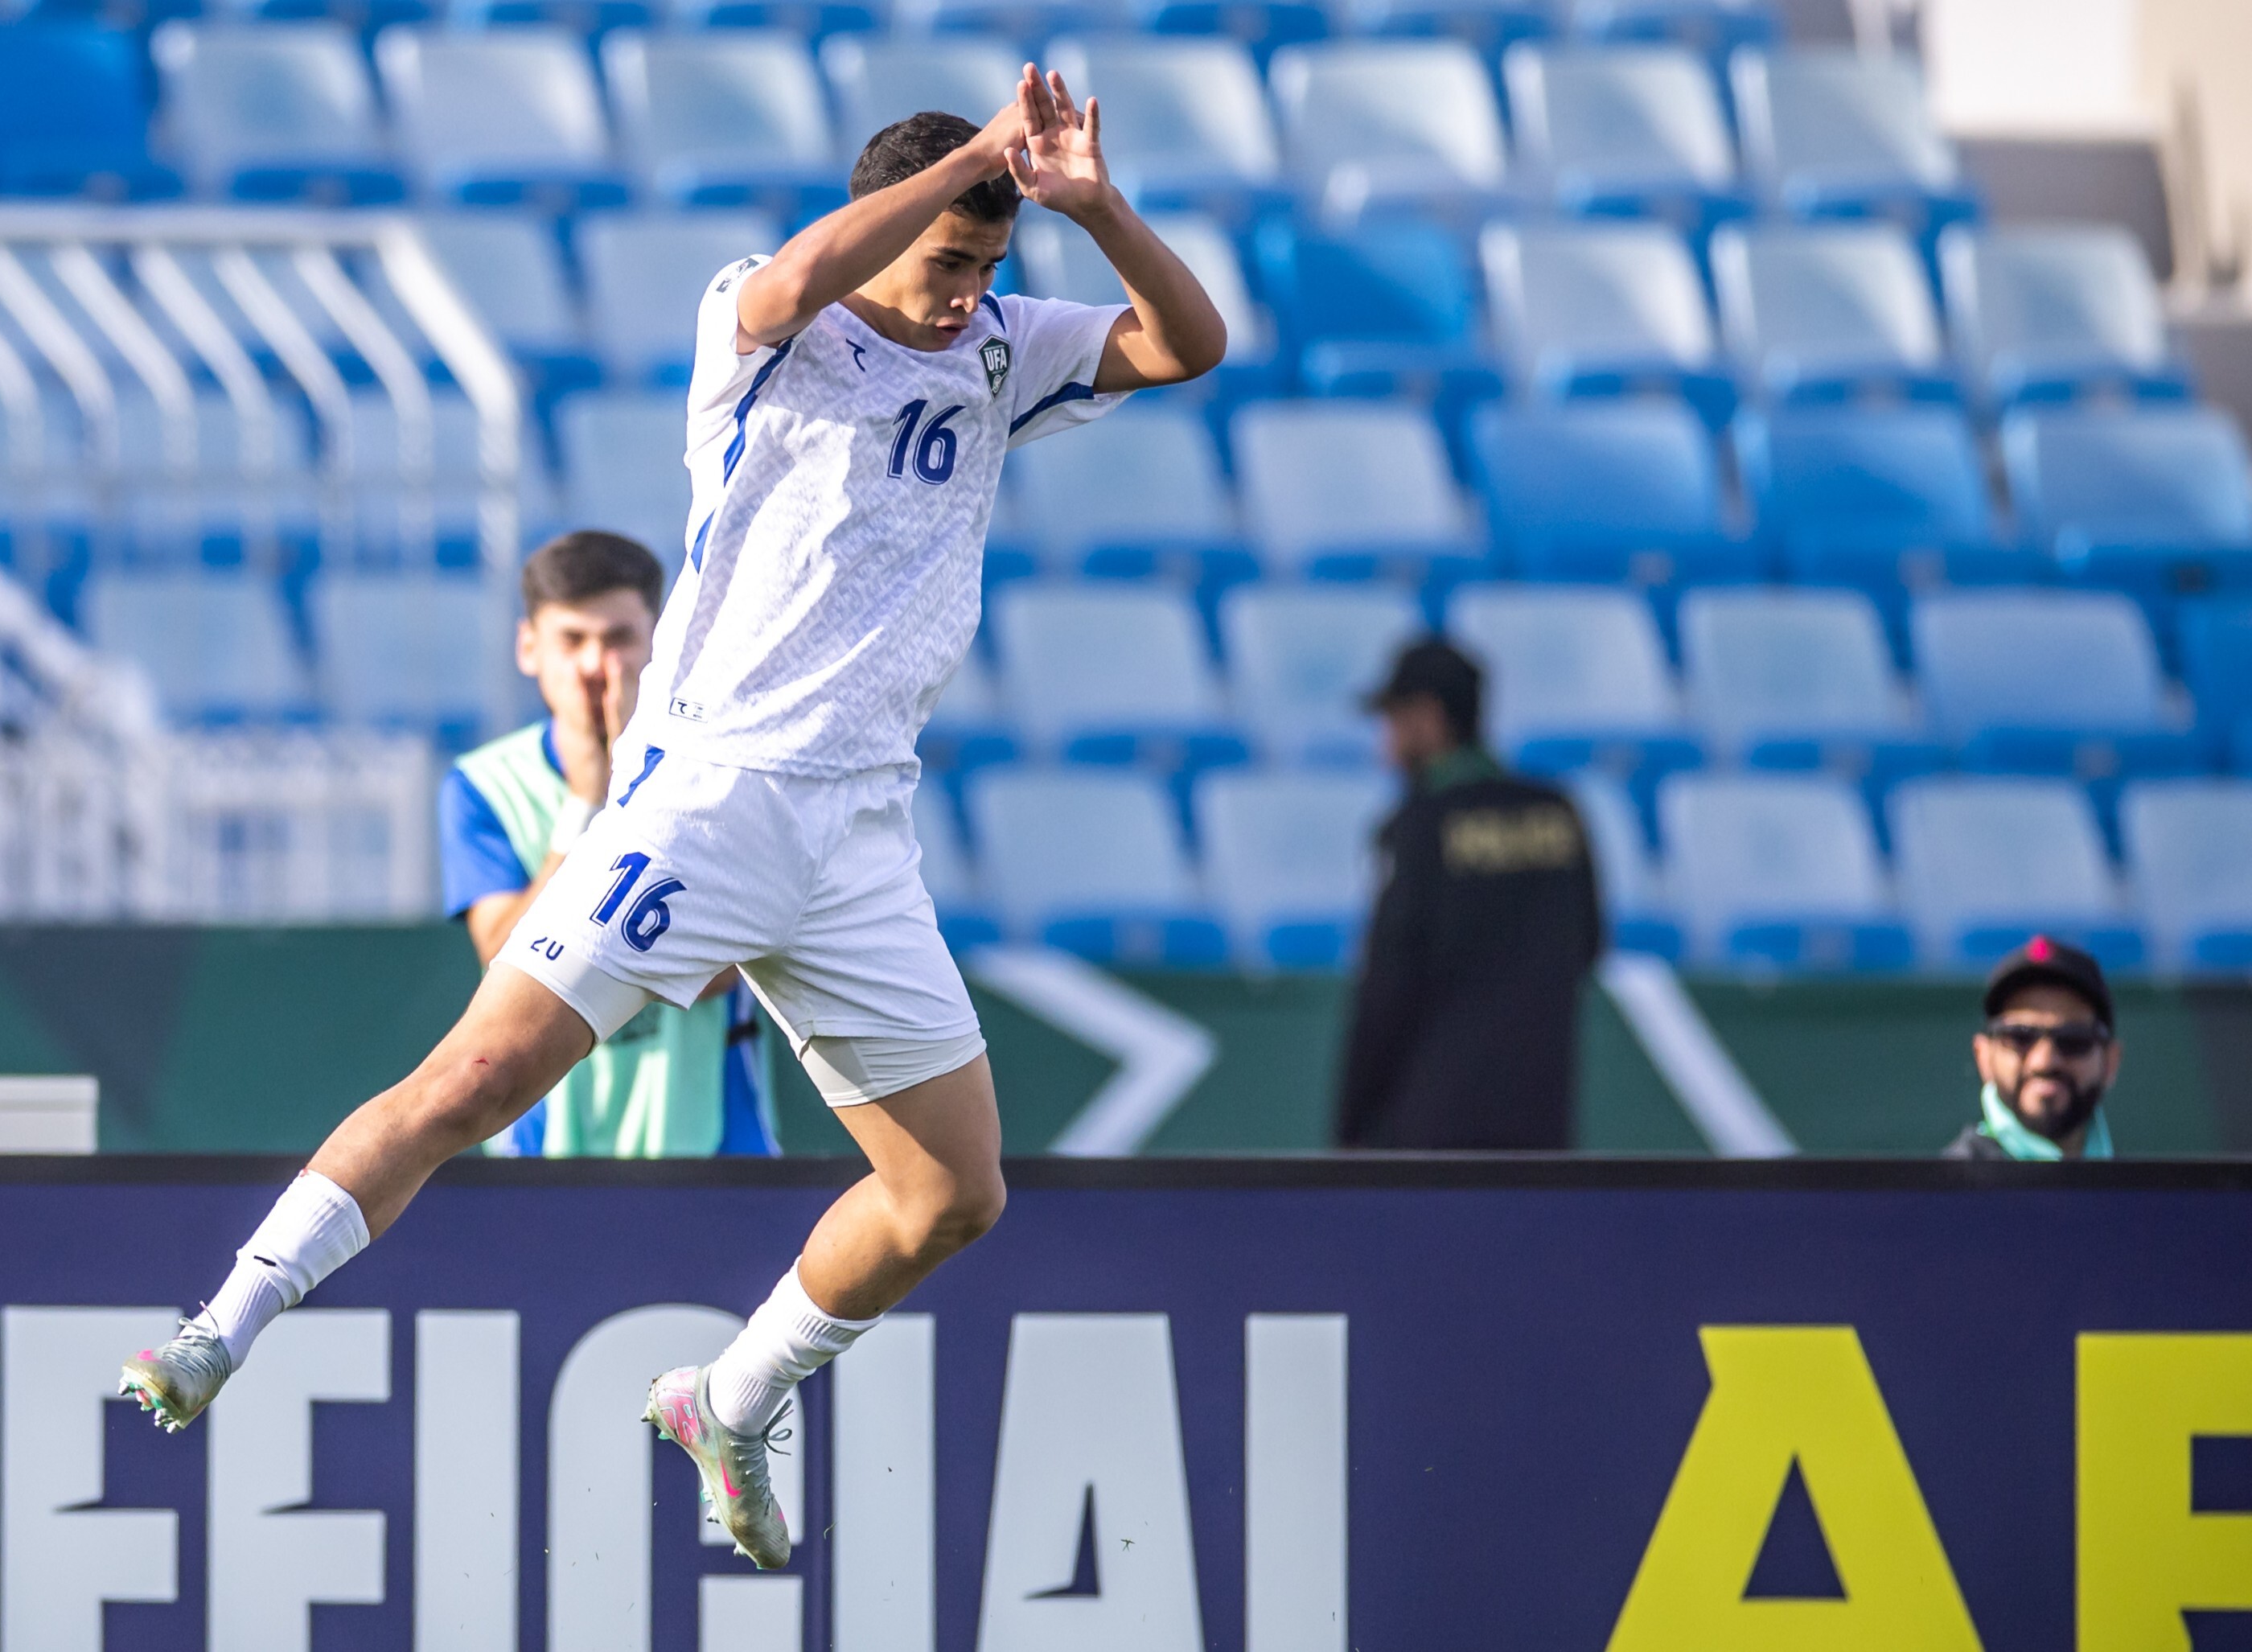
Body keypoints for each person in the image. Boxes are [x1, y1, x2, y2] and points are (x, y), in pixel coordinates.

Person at [117, 68, 1225, 1572]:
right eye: (946, 261)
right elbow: (792, 276)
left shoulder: (999, 352)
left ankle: (733, 1394)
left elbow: (1188, 344)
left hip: (857, 837)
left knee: (950, 1189)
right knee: (475, 1075)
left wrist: (1088, 208)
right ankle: (221, 1322)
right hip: (704, 793)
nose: (967, 292)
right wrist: (977, 153)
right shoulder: (764, 329)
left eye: (986, 264)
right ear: (882, 229)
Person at [440, 529, 776, 1157]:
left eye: (619, 639)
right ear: (529, 647)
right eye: (573, 640)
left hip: (714, 1154)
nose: (597, 666)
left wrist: (633, 787)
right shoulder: (481, 787)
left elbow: (730, 965)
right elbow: (500, 951)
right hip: (543, 1158)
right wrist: (588, 803)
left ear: (662, 644)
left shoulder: (720, 771)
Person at [1335, 637, 1602, 1151]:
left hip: (1430, 1141)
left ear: (1428, 719)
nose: (1385, 747)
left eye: (1392, 723)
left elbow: (1388, 989)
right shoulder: (1559, 813)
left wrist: (1351, 1131)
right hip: (1542, 1131)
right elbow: (1589, 946)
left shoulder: (1419, 827)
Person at [1946, 935, 2120, 1161]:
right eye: (2020, 1037)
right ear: (1984, 1057)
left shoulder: (2144, 1193)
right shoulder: (1942, 1193)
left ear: (2111, 1061)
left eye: (2073, 1040)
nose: (2044, 1061)